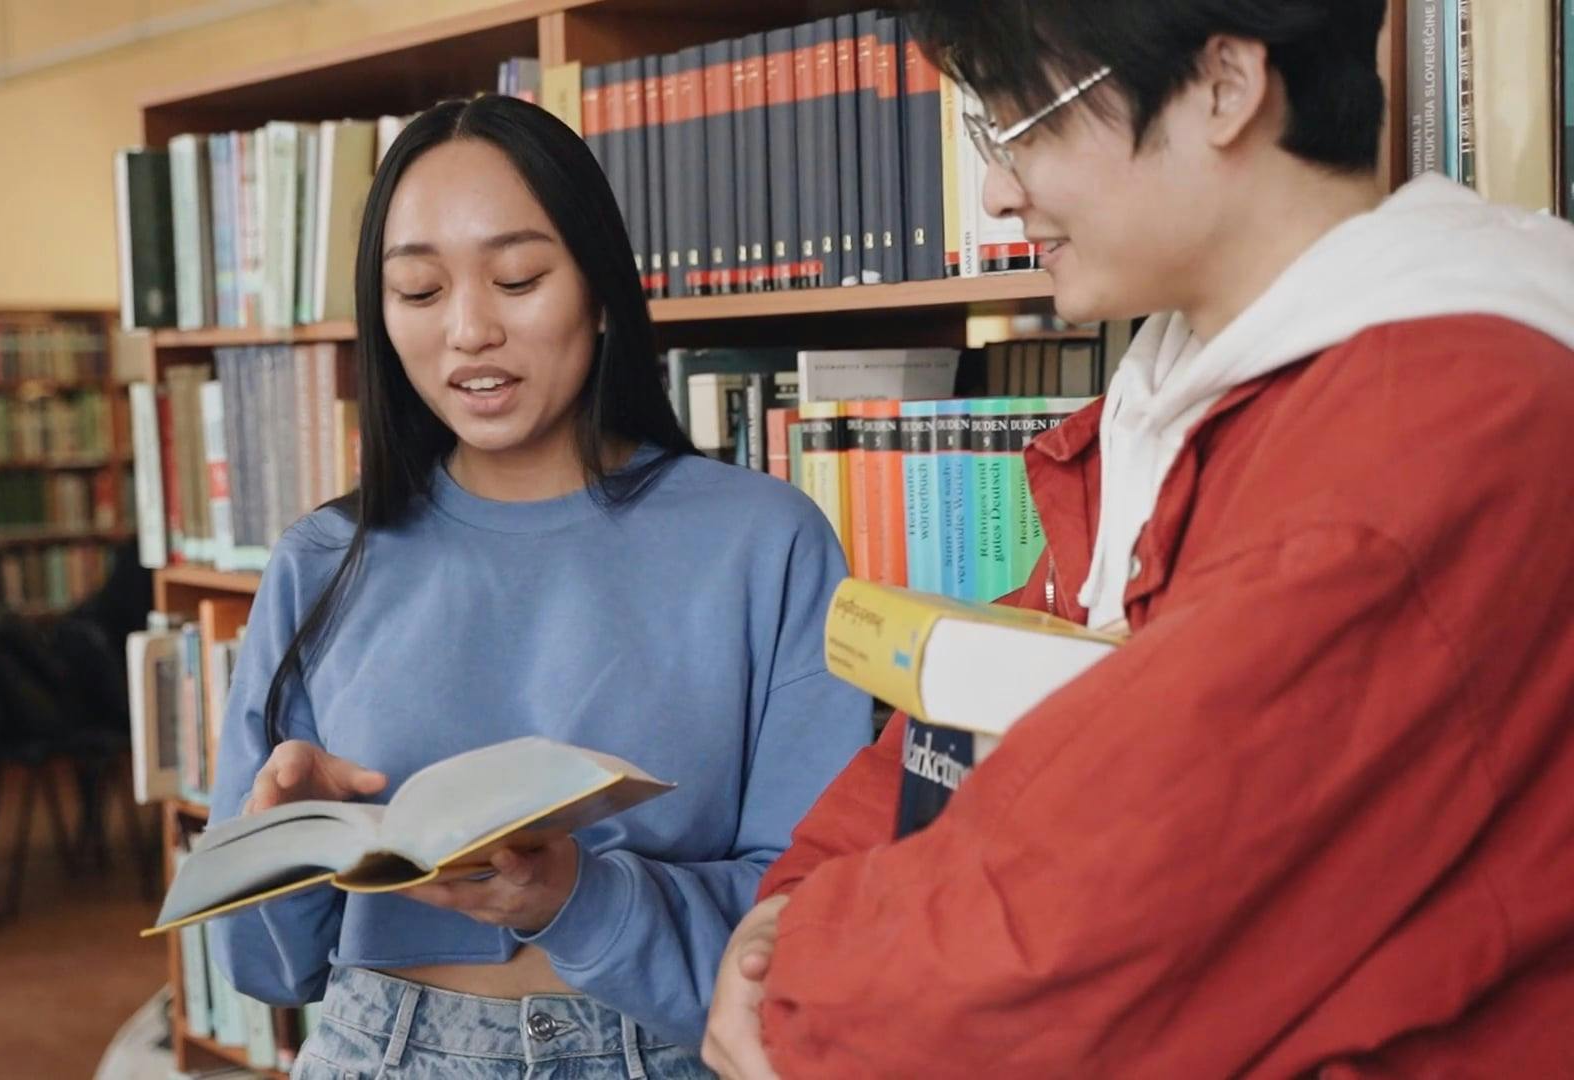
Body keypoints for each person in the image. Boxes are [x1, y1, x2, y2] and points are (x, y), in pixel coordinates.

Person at [702, 1, 1574, 1076]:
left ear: (1224, 86)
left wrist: (800, 974)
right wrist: (784, 912)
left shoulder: (1424, 434)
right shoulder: (1180, 399)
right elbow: (969, 706)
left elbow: (1073, 928)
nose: (997, 189)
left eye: (1030, 121)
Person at [204, 94, 871, 1078]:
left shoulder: (767, 542)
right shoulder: (322, 559)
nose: (469, 330)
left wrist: (576, 897)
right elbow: (269, 971)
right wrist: (280, 849)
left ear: (600, 292)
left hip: (664, 1054)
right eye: (420, 293)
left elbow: (811, 916)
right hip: (375, 1048)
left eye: (517, 278)